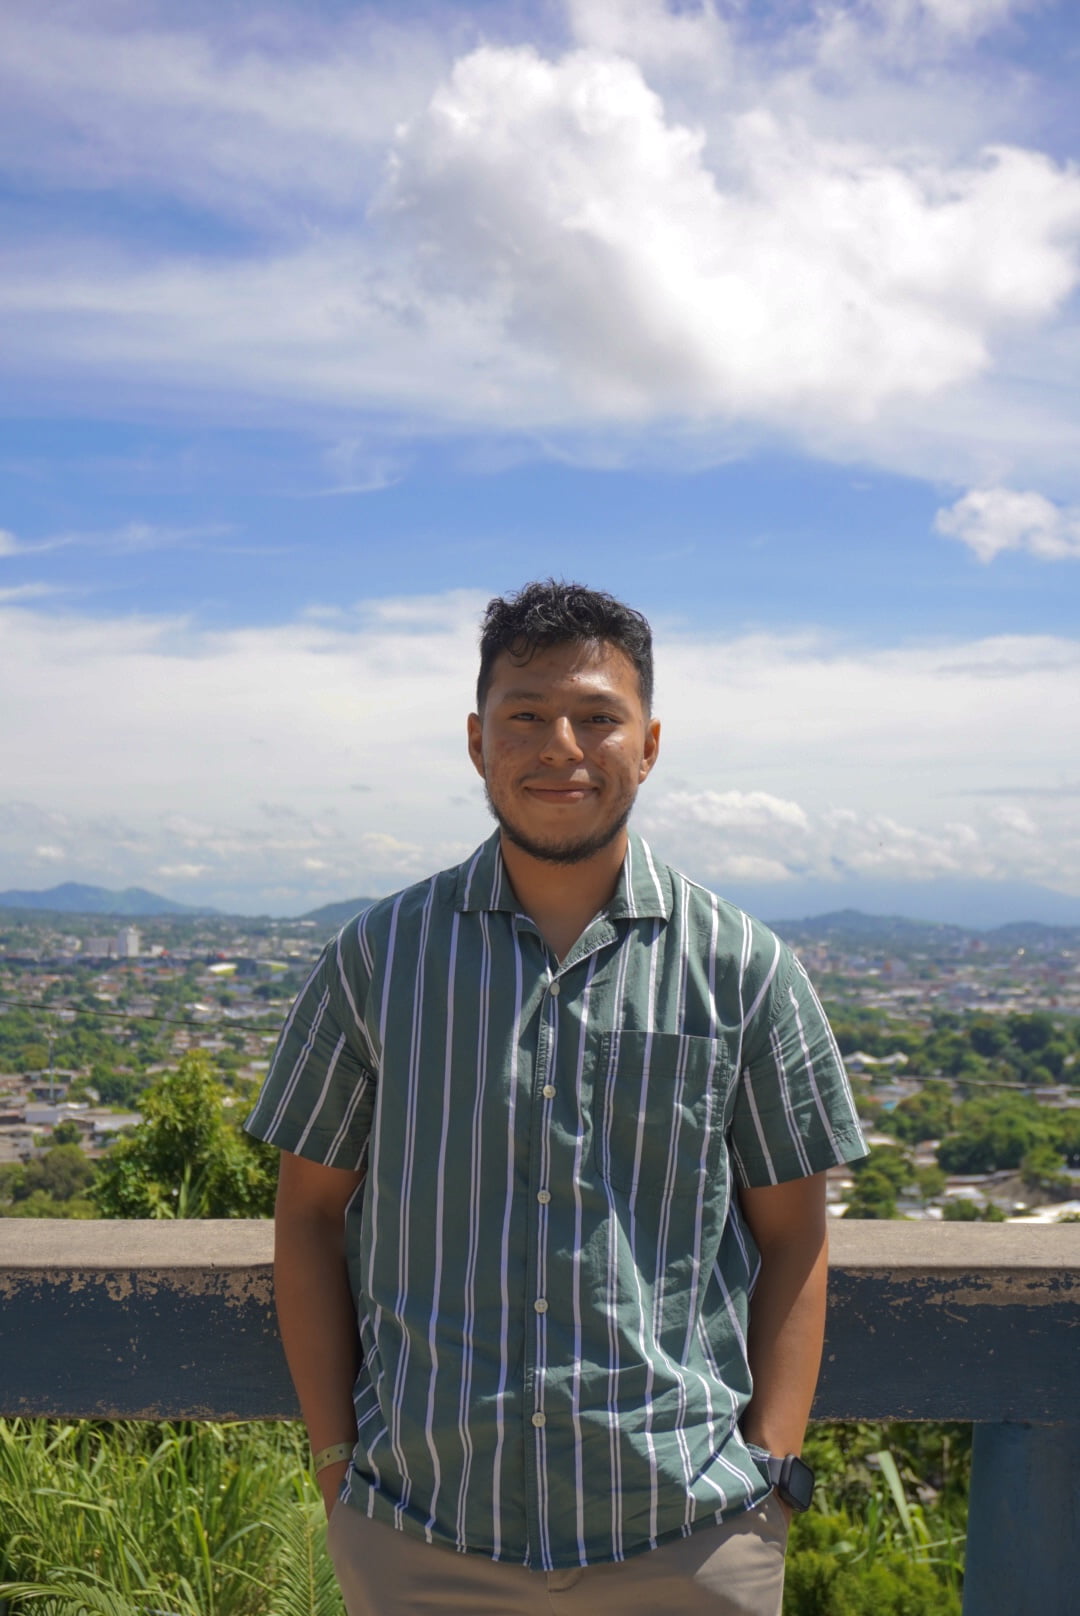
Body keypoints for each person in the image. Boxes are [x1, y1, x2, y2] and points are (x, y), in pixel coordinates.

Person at [245, 579, 866, 1616]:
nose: (560, 746)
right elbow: (307, 1212)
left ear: (651, 741)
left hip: (689, 1535)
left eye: (597, 716)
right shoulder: (376, 957)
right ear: (477, 739)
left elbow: (796, 1237)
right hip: (419, 1533)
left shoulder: (743, 967)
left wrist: (771, 1478)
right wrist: (334, 1467)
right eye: (525, 715)